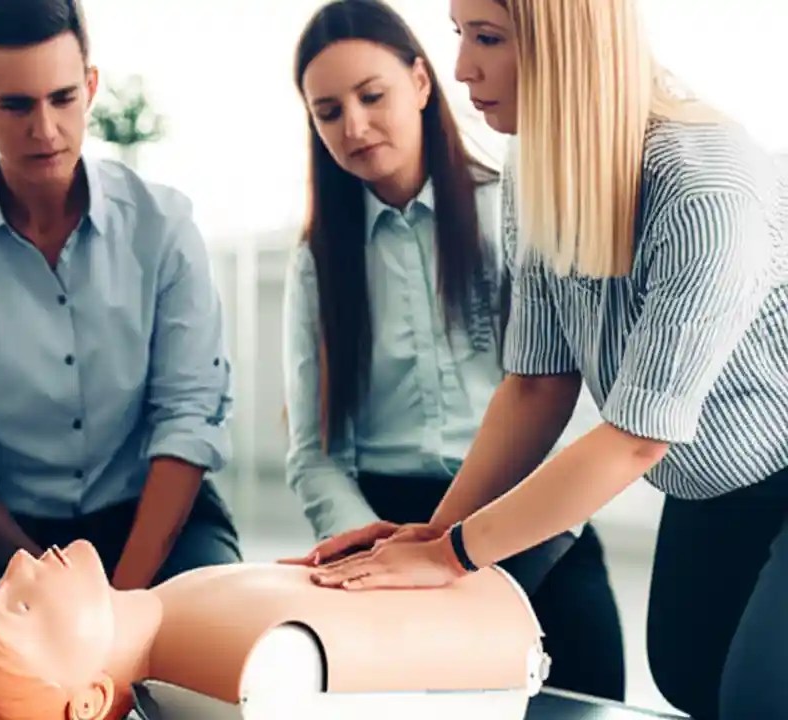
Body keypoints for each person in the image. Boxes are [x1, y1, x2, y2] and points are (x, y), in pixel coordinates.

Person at [300, 0, 788, 717]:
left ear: (569, 43)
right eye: (460, 36)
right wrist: (435, 532)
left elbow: (636, 436)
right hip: (710, 482)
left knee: (758, 698)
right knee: (687, 675)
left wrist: (453, 556)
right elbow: (535, 385)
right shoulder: (535, 159)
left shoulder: (705, 190)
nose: (462, 68)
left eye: (488, 39)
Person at [0, 0, 240, 709]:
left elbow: (188, 418)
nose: (45, 130)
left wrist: (113, 605)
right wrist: (41, 583)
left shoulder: (165, 225)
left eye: (62, 98)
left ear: (91, 83)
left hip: (159, 517)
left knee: (225, 688)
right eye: (15, 105)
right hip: (7, 543)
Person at [280, 0, 623, 700]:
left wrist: (481, 547)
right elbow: (314, 456)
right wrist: (370, 553)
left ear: (421, 83)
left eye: (372, 96)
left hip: (526, 509)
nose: (355, 126)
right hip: (385, 523)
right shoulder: (318, 260)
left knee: (587, 681)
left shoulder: (518, 206)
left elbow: (573, 402)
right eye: (328, 111)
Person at [0, 539, 547, 720]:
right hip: (489, 634)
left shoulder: (182, 621)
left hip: (479, 600)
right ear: (90, 699)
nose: (16, 563)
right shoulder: (224, 668)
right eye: (19, 606)